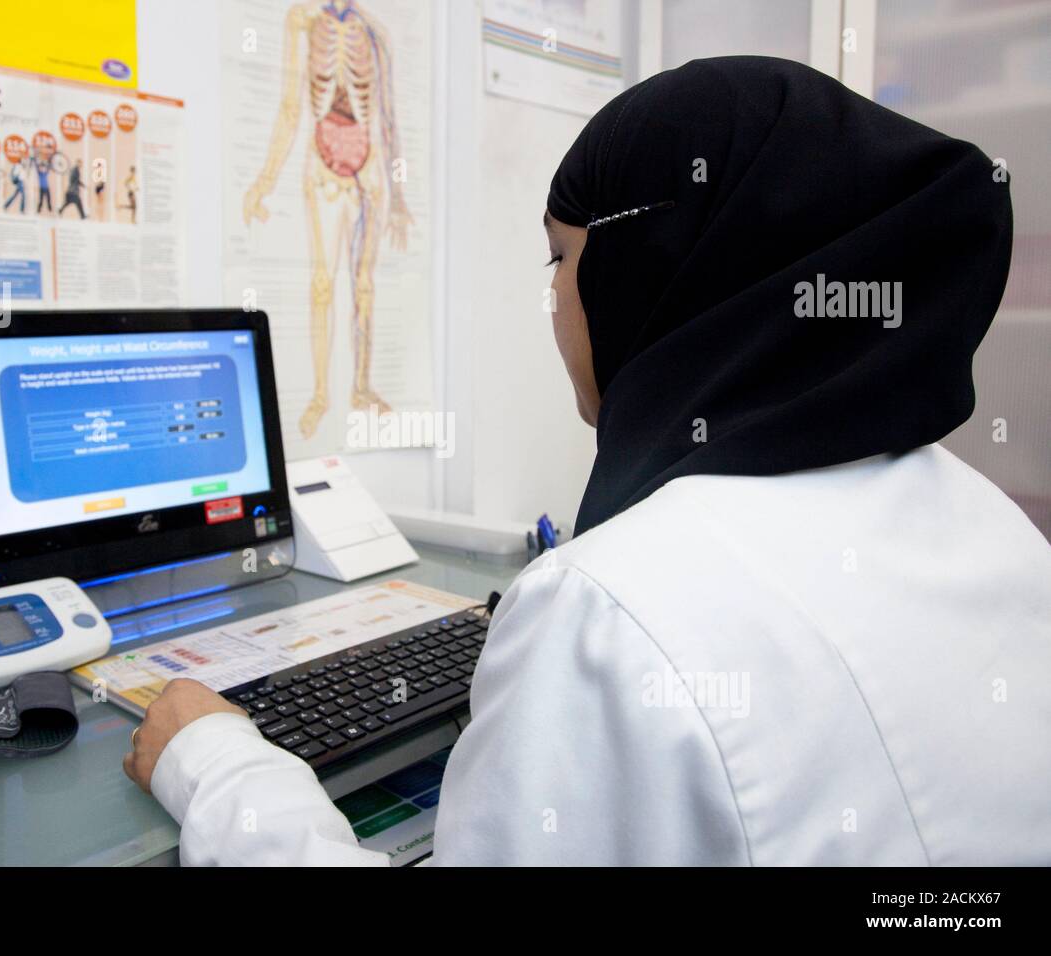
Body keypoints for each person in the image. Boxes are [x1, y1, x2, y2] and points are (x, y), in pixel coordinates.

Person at [123, 56, 1051, 866]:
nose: (555, 307)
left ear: (643, 268)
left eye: (558, 263)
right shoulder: (992, 525)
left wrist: (220, 768)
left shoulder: (609, 612)